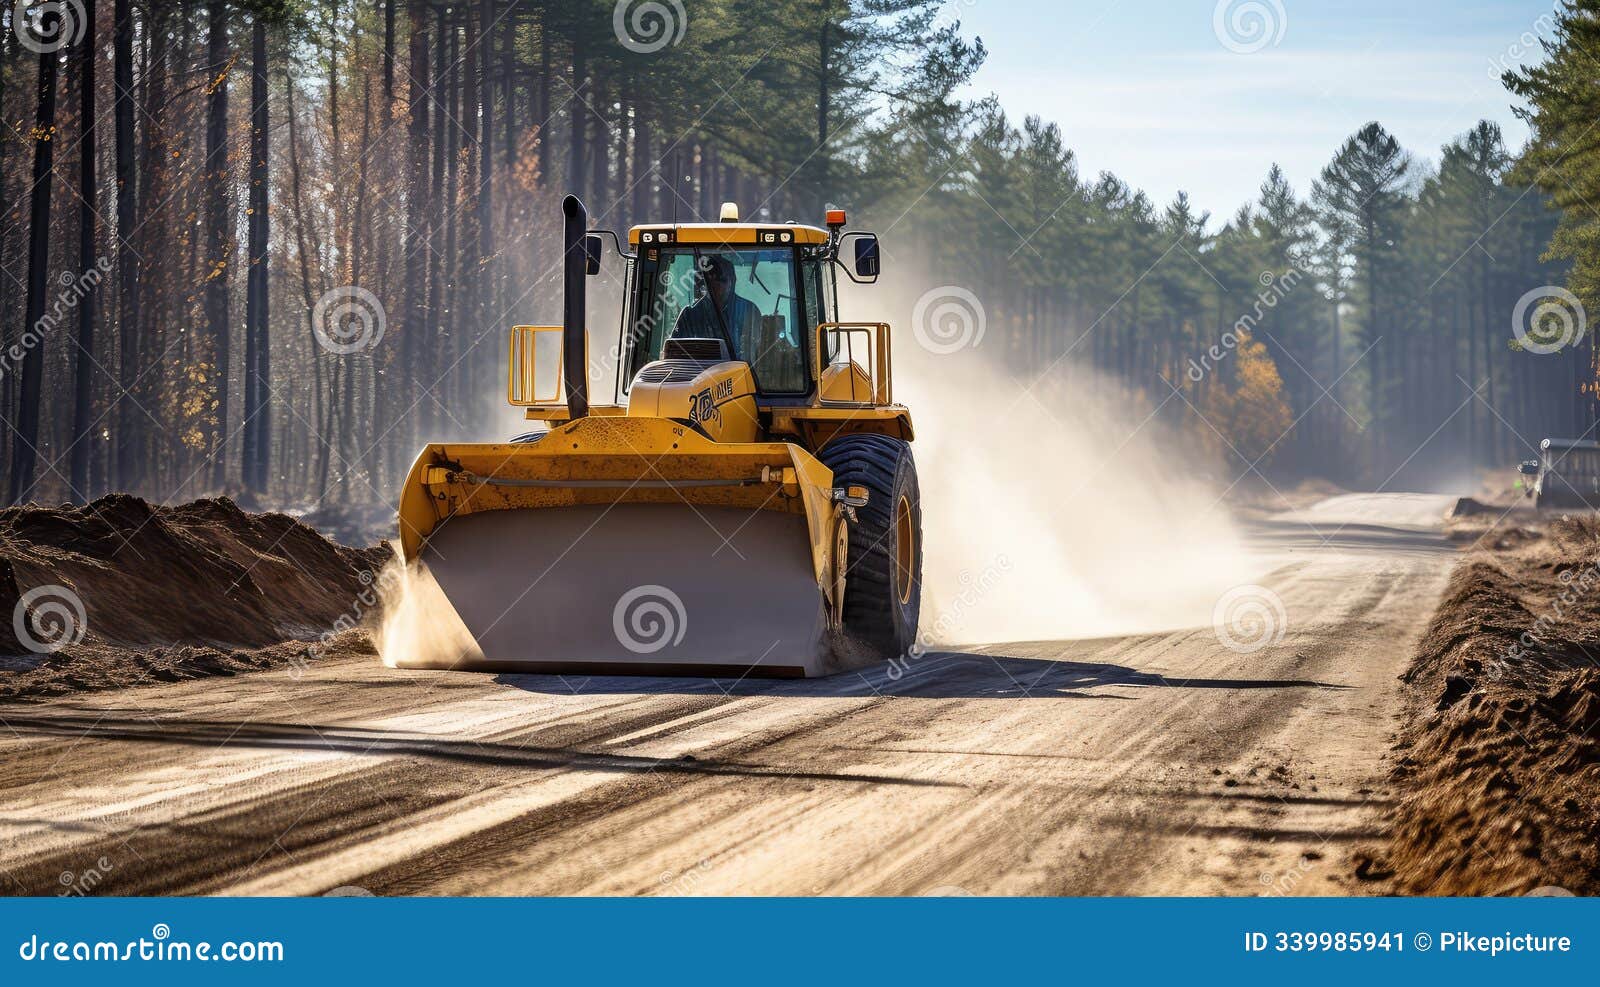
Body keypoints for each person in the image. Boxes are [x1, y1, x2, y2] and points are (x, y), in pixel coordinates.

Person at [671, 254, 763, 356]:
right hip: (700, 371)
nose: (716, 284)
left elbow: (760, 352)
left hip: (742, 371)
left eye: (721, 279)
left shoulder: (749, 311)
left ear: (732, 282)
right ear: (703, 282)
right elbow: (673, 352)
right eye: (710, 279)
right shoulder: (689, 315)